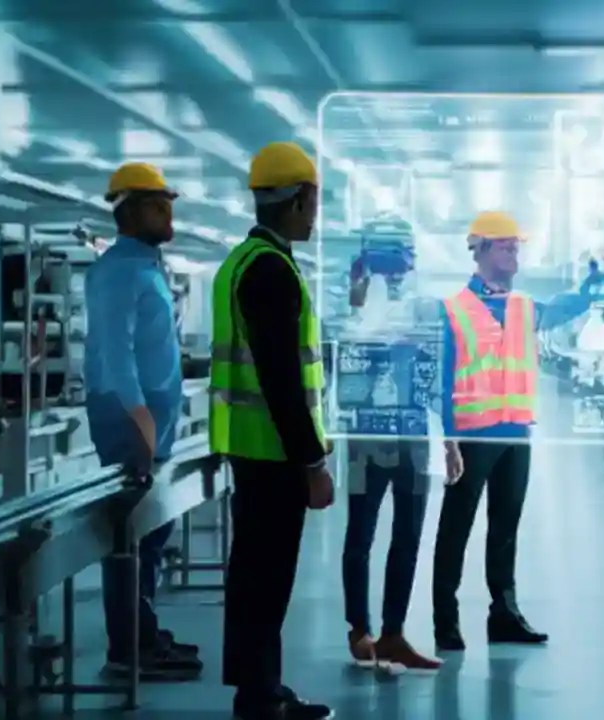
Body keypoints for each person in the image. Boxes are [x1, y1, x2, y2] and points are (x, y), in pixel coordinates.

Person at [210, 141, 335, 720]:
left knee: (255, 572)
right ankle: (259, 696)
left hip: (252, 448)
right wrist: (312, 463)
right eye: (315, 199)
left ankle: (261, 685)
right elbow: (283, 379)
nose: (318, 211)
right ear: (301, 200)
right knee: (267, 576)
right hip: (275, 454)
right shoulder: (271, 271)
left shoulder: (242, 260)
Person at [432, 210, 593, 652]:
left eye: (517, 245)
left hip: (516, 434)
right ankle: (444, 621)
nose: (514, 252)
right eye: (505, 245)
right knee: (455, 529)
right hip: (472, 436)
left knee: (505, 528)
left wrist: (594, 287)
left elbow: (563, 309)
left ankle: (504, 613)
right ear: (480, 249)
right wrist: (448, 441)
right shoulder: (453, 309)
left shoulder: (523, 307)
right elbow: (443, 380)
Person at [84, 161, 202, 682]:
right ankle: (126, 647)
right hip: (129, 418)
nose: (167, 211)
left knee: (152, 530)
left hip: (153, 416)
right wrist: (138, 416)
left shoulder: (148, 265)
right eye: (157, 204)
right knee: (131, 534)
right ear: (128, 210)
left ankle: (142, 629)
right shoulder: (117, 271)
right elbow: (116, 353)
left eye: (168, 202)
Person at [340, 241, 463, 672]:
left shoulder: (425, 310)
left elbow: (437, 376)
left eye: (402, 264)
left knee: (407, 536)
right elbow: (344, 369)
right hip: (365, 435)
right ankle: (359, 629)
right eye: (389, 265)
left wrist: (448, 438)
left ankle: (392, 634)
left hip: (412, 436)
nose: (396, 274)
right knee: (361, 533)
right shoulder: (353, 306)